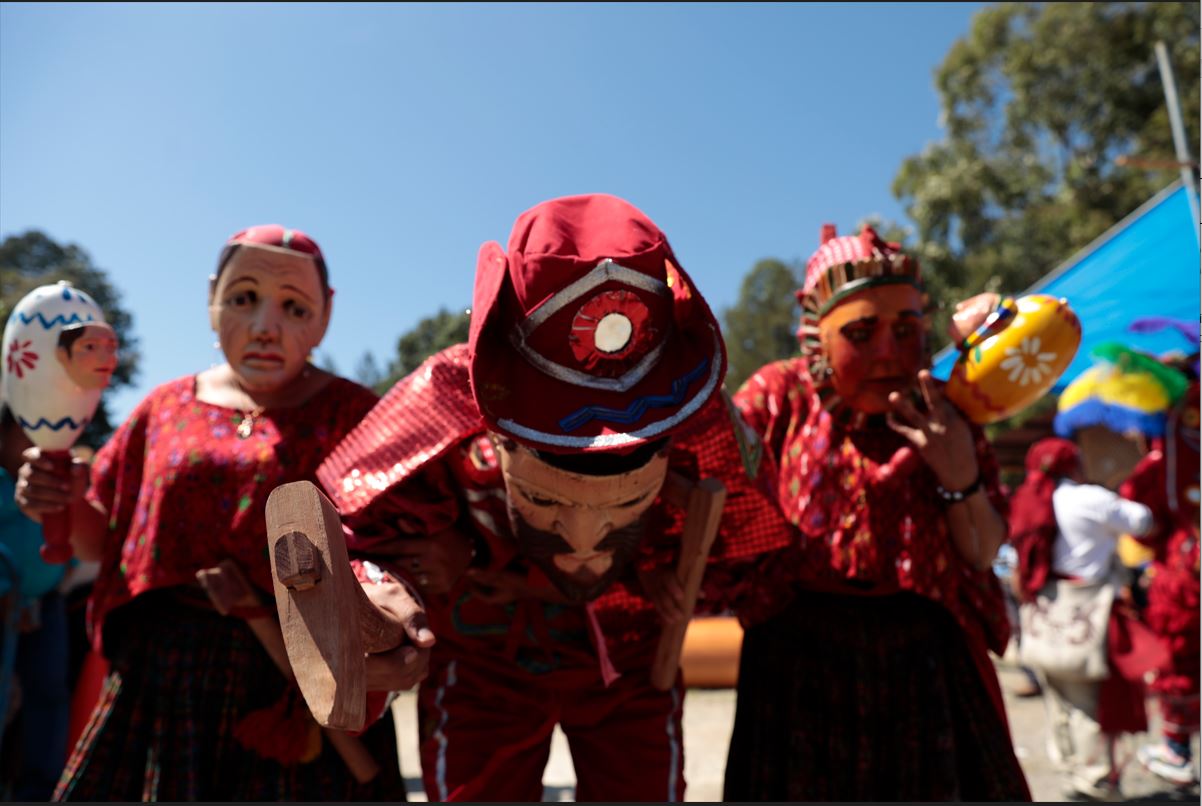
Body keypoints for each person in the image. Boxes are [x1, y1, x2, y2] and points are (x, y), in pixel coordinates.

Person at [313, 193, 791, 801]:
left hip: (631, 667)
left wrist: (666, 573)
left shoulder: (703, 417)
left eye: (623, 502)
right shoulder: (442, 401)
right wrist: (382, 599)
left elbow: (757, 550)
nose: (583, 540)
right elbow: (348, 528)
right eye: (550, 499)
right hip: (485, 669)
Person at [13, 224, 426, 800]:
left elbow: (403, 553)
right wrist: (55, 497)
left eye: (293, 306)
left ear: (326, 315)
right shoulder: (162, 411)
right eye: (243, 298)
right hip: (165, 684)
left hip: (299, 683)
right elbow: (95, 543)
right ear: (212, 301)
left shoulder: (362, 416)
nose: (264, 326)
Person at [722, 223, 1031, 801]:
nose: (889, 353)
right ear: (818, 336)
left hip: (928, 664)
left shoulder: (944, 408)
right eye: (861, 332)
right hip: (797, 667)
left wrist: (959, 475)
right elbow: (714, 490)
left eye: (906, 329)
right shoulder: (777, 398)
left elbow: (983, 552)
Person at [1010, 437, 1156, 800]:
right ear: (1073, 464)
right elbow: (1143, 520)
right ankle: (1094, 778)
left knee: (1057, 700)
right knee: (1088, 703)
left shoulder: (1028, 500)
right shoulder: (1090, 498)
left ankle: (1069, 770)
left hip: (1042, 615)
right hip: (1085, 612)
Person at [1122, 380, 1200, 788]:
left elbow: (1143, 522)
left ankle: (1178, 750)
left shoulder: (1161, 461)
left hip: (1183, 572)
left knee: (1181, 662)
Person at [0, 401, 71, 800]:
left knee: (48, 693)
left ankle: (41, 788)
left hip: (47, 607)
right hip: (3, 610)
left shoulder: (58, 483)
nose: (35, 445)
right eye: (26, 431)